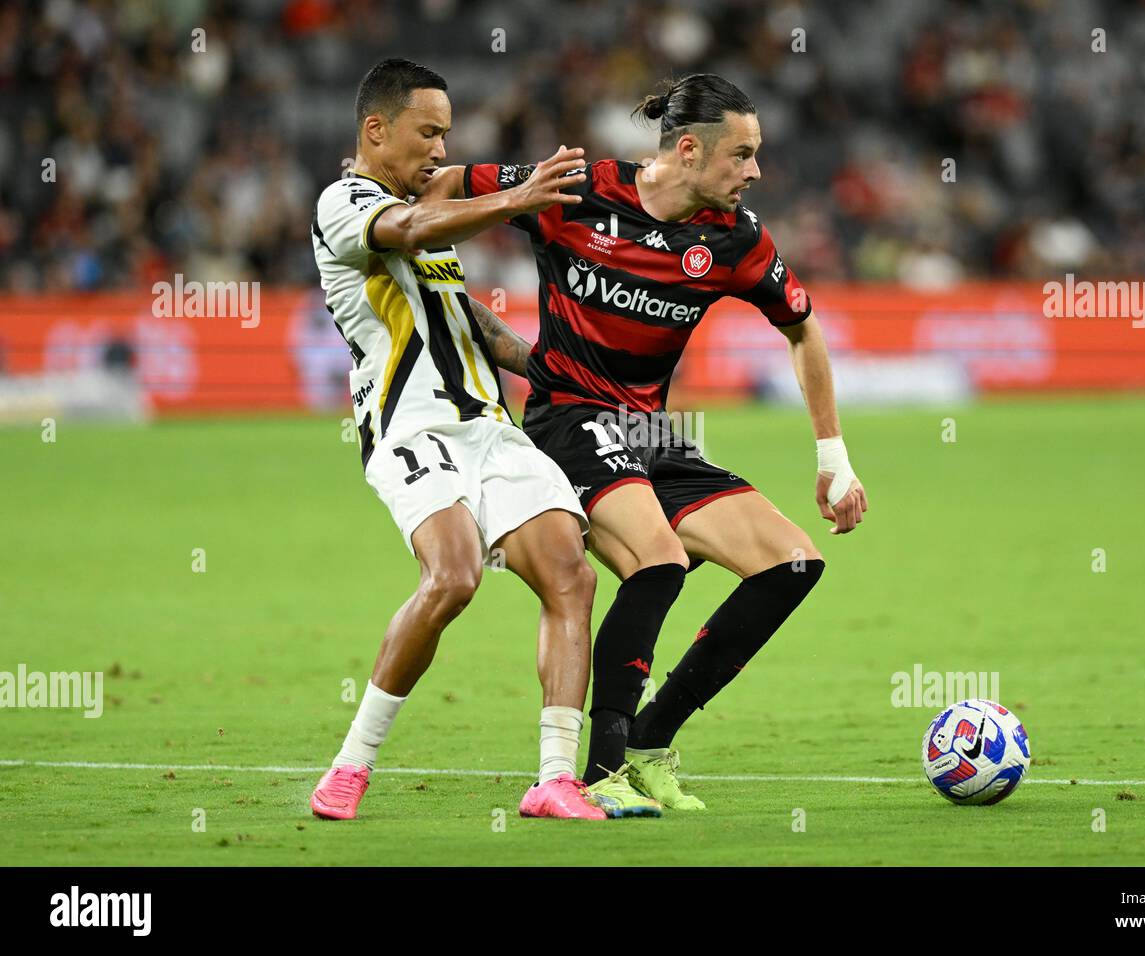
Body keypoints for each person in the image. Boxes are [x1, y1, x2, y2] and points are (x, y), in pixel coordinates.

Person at [451, 73, 868, 813]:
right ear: (688, 150)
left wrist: (832, 458)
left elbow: (803, 328)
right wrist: (389, 233)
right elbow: (450, 183)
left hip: (648, 434)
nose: (756, 171)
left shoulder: (736, 241)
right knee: (660, 561)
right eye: (741, 155)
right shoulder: (579, 189)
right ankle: (602, 772)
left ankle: (648, 745)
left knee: (791, 563)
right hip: (569, 419)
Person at [308, 57, 613, 821]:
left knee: (571, 577)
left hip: (489, 430)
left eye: (447, 134)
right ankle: (350, 766)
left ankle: (553, 779)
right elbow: (407, 227)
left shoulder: (431, 224)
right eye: (429, 133)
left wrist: (552, 367)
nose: (441, 150)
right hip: (410, 428)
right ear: (375, 130)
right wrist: (518, 197)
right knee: (453, 576)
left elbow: (468, 320)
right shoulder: (345, 202)